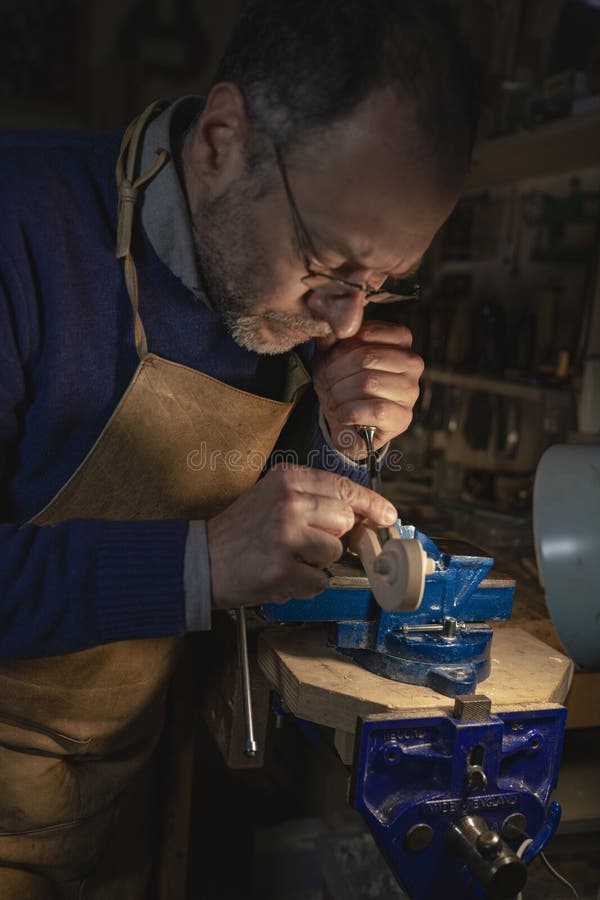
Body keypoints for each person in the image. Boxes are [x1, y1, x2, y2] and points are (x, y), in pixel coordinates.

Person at [0, 1, 480, 897]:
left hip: (123, 785)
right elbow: (220, 559)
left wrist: (344, 440)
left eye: (381, 286)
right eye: (330, 263)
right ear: (221, 140)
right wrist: (200, 561)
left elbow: (277, 550)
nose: (346, 319)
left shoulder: (289, 306)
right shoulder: (20, 227)